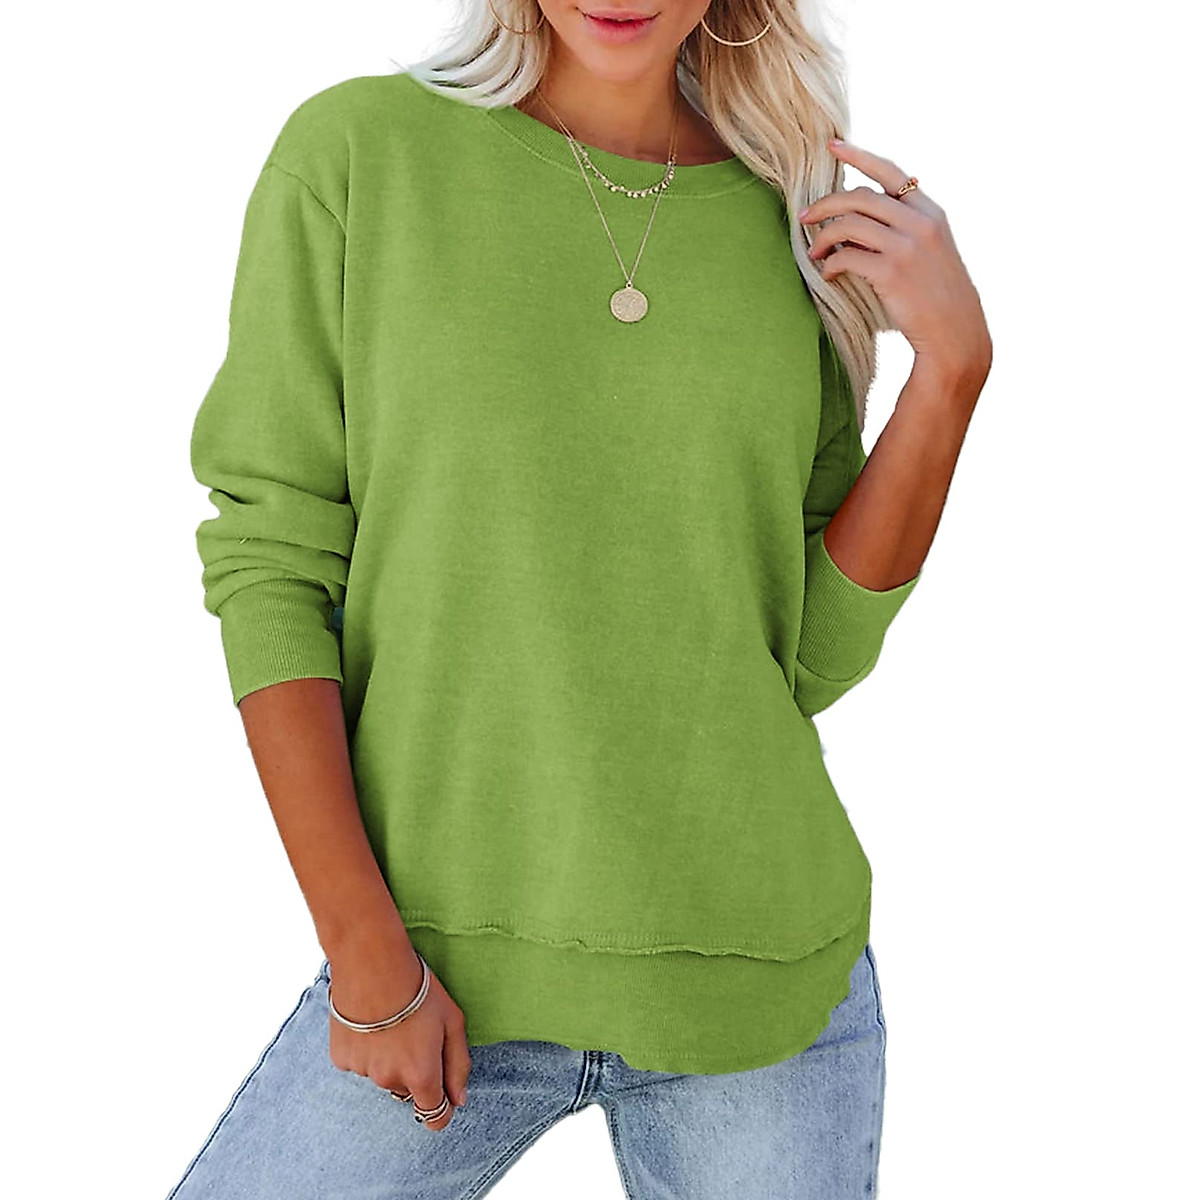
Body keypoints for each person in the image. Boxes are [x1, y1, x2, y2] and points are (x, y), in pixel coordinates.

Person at [169, 1, 990, 1196]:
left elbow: (805, 653)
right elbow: (273, 568)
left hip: (758, 982)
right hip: (431, 971)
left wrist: (950, 376)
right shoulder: (361, 156)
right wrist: (367, 954)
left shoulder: (790, 221)